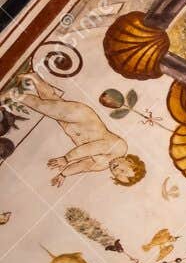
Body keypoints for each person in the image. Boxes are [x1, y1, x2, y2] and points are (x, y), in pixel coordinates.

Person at [4, 74, 144, 187]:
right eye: (122, 170)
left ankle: (34, 78)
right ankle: (14, 94)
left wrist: (63, 174)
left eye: (117, 175)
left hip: (71, 126)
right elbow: (91, 148)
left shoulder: (101, 165)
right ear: (130, 162)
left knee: (50, 100)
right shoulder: (119, 148)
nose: (116, 170)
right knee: (43, 106)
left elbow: (82, 166)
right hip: (81, 117)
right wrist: (67, 159)